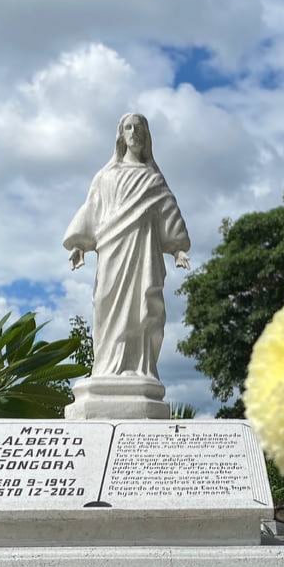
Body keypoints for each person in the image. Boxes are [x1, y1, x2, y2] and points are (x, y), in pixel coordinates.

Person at [64, 113, 191, 380]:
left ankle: (140, 368)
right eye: (128, 128)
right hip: (112, 249)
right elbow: (93, 209)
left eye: (139, 128)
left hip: (144, 251)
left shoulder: (153, 179)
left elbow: (168, 210)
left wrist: (178, 247)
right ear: (121, 135)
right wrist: (80, 244)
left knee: (142, 306)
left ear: (146, 135)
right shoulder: (106, 176)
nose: (134, 132)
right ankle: (106, 369)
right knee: (106, 305)